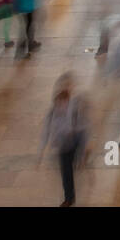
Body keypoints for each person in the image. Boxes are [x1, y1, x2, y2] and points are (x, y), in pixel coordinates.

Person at [39, 73, 88, 207]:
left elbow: (83, 129)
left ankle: (80, 163)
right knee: (66, 173)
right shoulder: (54, 110)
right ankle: (69, 198)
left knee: (74, 167)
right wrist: (41, 151)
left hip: (75, 140)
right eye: (59, 105)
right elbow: (46, 130)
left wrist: (83, 149)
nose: (61, 107)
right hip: (63, 146)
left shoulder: (75, 107)